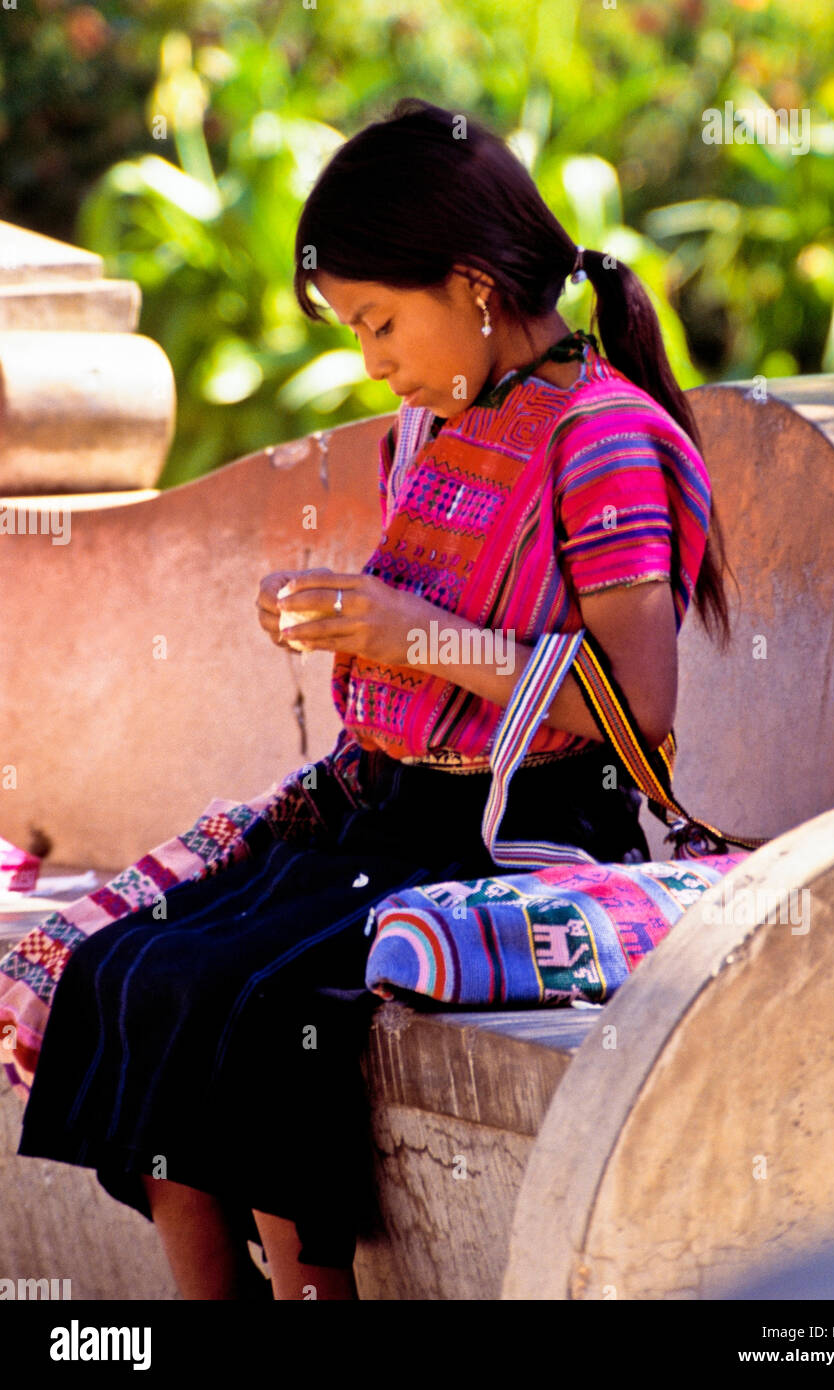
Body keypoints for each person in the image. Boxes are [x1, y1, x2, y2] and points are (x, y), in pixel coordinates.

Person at [8, 97, 732, 1301]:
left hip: (517, 833)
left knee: (258, 1010)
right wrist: (348, 620)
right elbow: (425, 624)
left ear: (473, 287)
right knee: (130, 969)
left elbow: (636, 707)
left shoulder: (601, 438)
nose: (371, 359)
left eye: (379, 322)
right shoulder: (431, 426)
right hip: (374, 815)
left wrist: (415, 636)